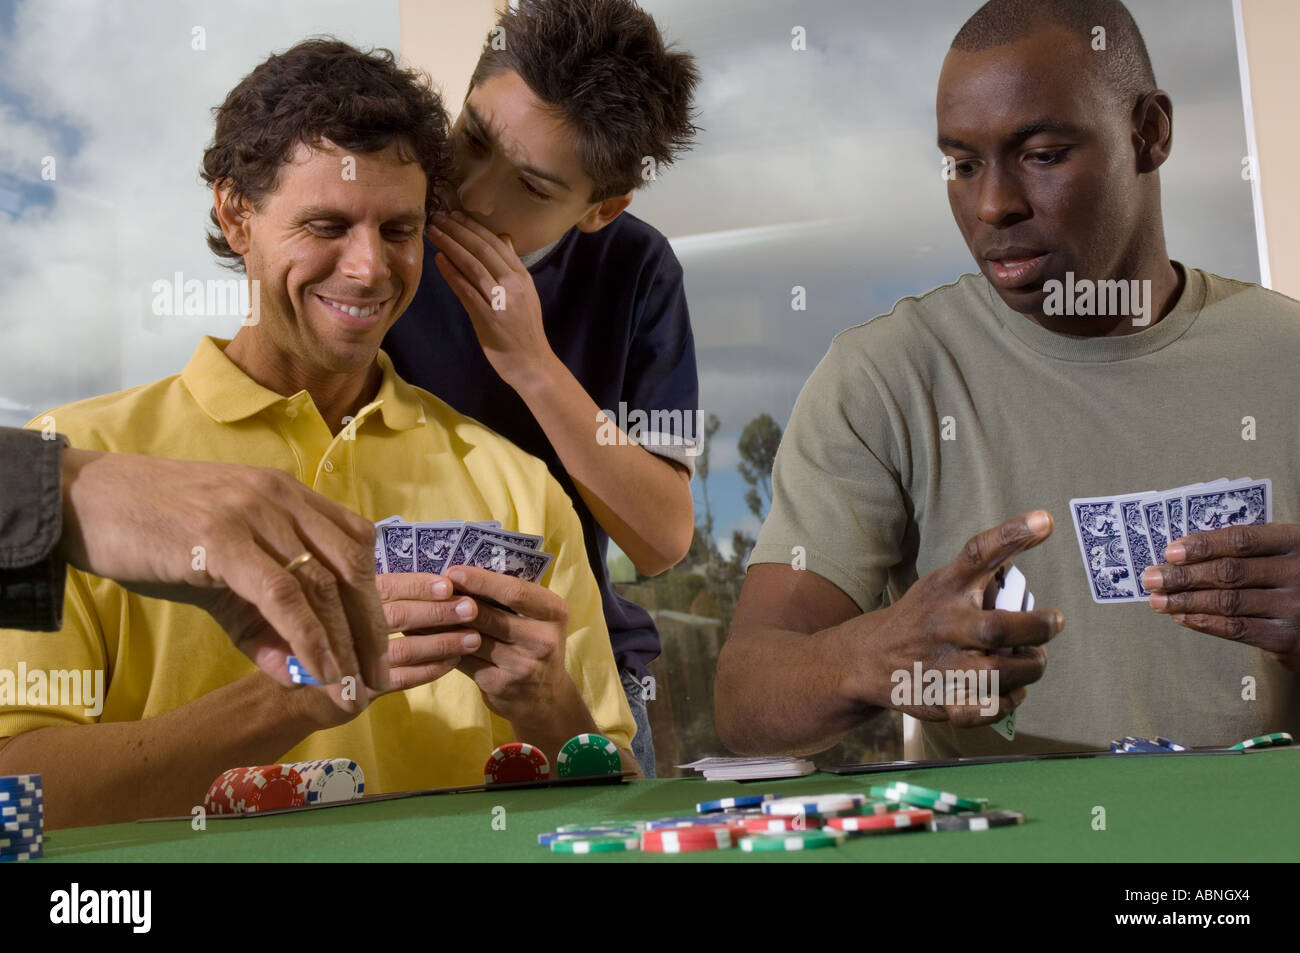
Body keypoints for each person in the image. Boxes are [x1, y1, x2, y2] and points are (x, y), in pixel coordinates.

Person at [0, 39, 635, 829]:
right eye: (326, 225)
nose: (369, 267)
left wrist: (549, 704)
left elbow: (617, 797)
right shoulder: (73, 472)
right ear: (236, 214)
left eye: (399, 229)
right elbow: (12, 800)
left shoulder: (517, 483)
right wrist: (286, 699)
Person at [716, 0, 1300, 760]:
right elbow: (742, 699)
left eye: (1044, 154)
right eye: (961, 165)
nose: (993, 204)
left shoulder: (1284, 355)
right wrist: (869, 658)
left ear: (1149, 133)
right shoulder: (885, 378)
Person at [383, 0, 701, 777]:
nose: (475, 196)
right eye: (473, 140)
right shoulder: (387, 224)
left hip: (580, 674)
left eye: (530, 184)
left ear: (602, 208)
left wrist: (530, 363)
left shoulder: (637, 268)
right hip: (394, 665)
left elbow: (660, 540)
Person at [0, 426, 389, 699]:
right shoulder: (79, 437)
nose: (364, 300)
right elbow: (19, 765)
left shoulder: (451, 431)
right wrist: (66, 490)